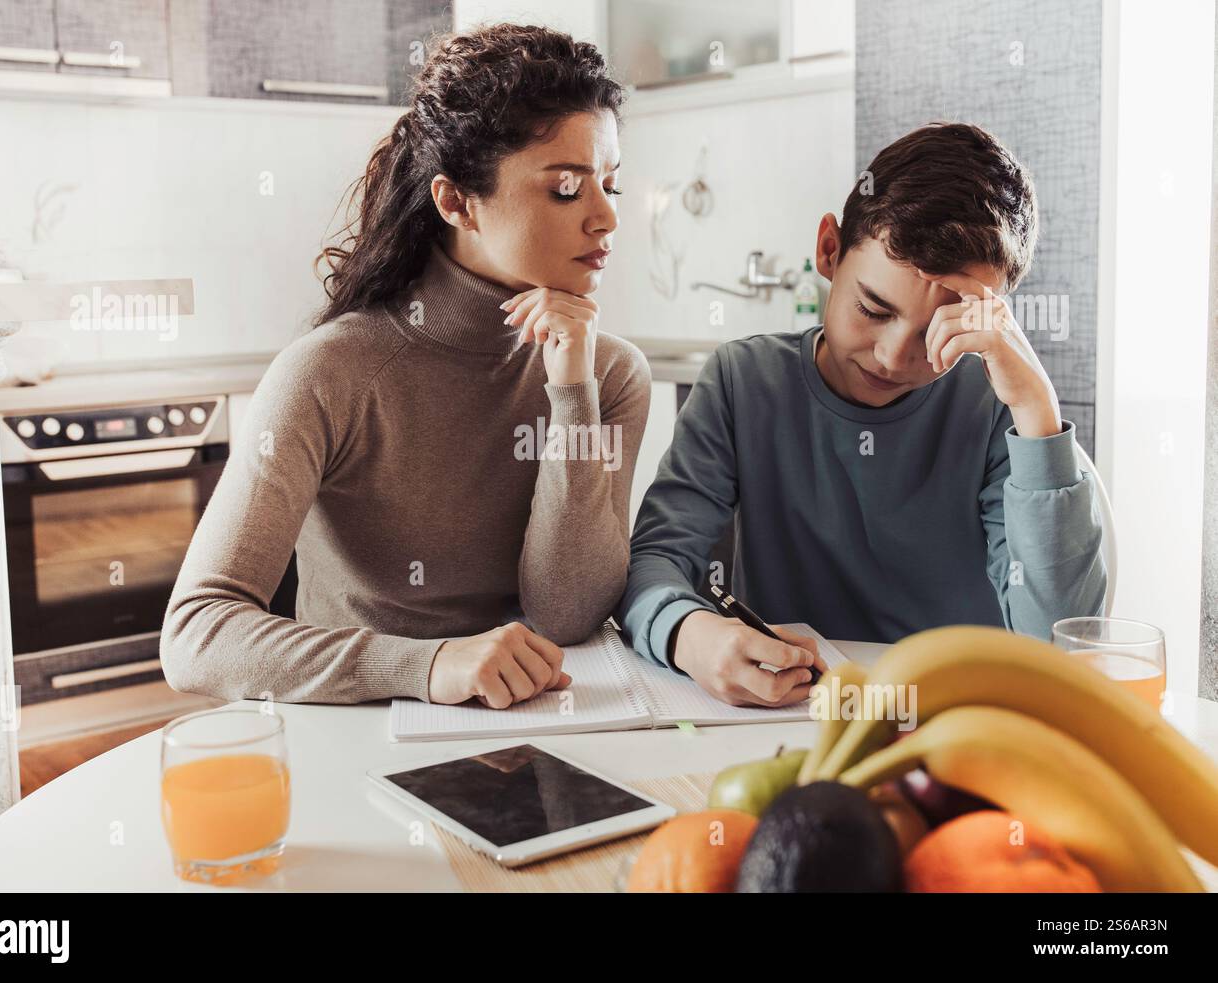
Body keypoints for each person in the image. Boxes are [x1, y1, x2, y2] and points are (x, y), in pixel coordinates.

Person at [161, 25, 650, 709]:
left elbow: (566, 612)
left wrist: (570, 391)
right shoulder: (327, 375)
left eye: (611, 184)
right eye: (566, 189)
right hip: (360, 737)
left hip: (545, 726)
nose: (605, 218)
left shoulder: (610, 375)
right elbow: (196, 634)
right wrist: (428, 666)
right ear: (455, 202)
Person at [617, 122, 1106, 709]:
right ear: (829, 249)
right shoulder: (741, 383)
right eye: (873, 309)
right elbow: (655, 562)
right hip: (789, 716)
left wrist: (1036, 413)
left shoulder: (998, 410)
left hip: (960, 722)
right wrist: (687, 632)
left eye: (937, 333)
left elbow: (1061, 644)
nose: (894, 357)